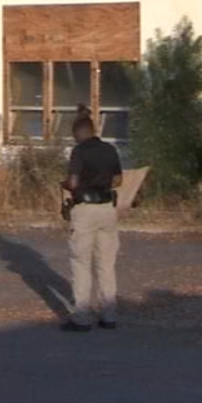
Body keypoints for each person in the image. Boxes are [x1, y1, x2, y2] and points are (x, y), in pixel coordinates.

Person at [60, 114, 122, 332]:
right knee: (106, 263)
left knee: (82, 263)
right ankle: (109, 315)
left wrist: (65, 184)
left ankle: (82, 317)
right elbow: (118, 180)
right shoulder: (110, 149)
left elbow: (73, 182)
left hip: (85, 209)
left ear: (78, 132)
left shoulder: (79, 151)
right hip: (107, 208)